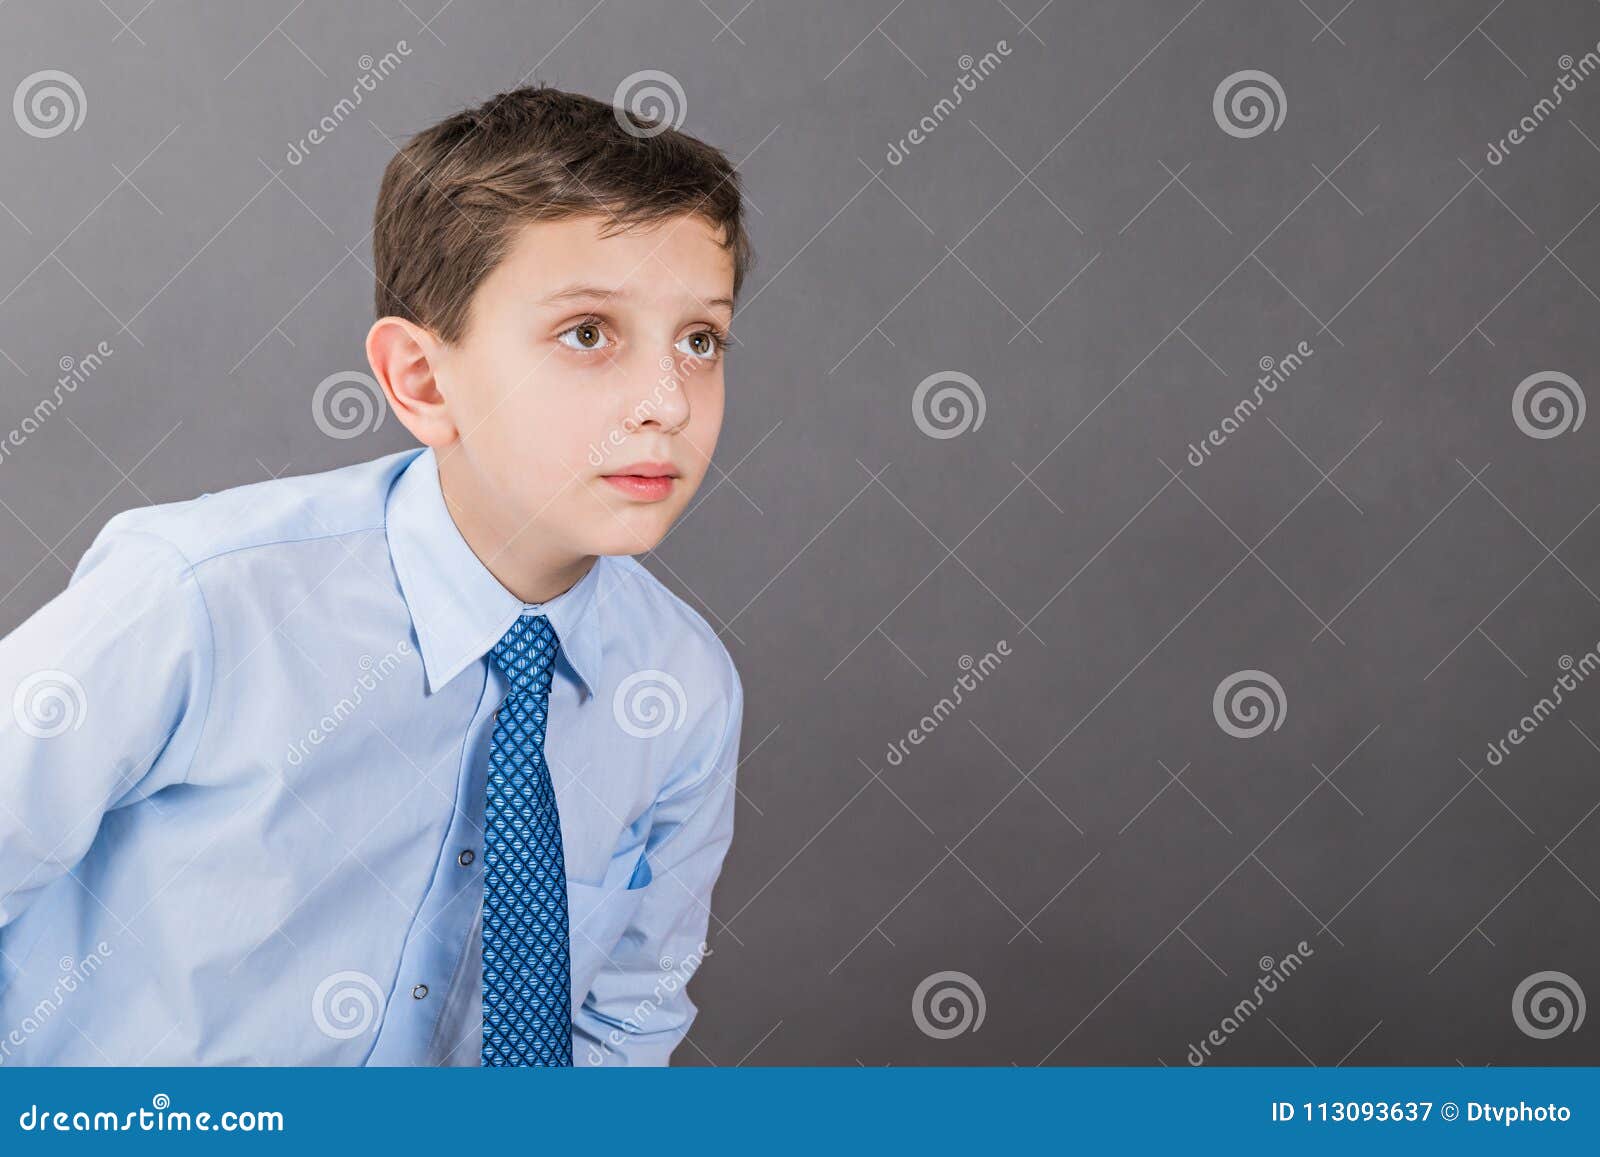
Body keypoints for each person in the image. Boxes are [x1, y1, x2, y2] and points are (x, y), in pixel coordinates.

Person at [0, 83, 753, 1067]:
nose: (665, 401)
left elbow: (624, 1012)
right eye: (587, 333)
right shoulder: (197, 600)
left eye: (699, 339)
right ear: (422, 380)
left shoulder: (681, 688)